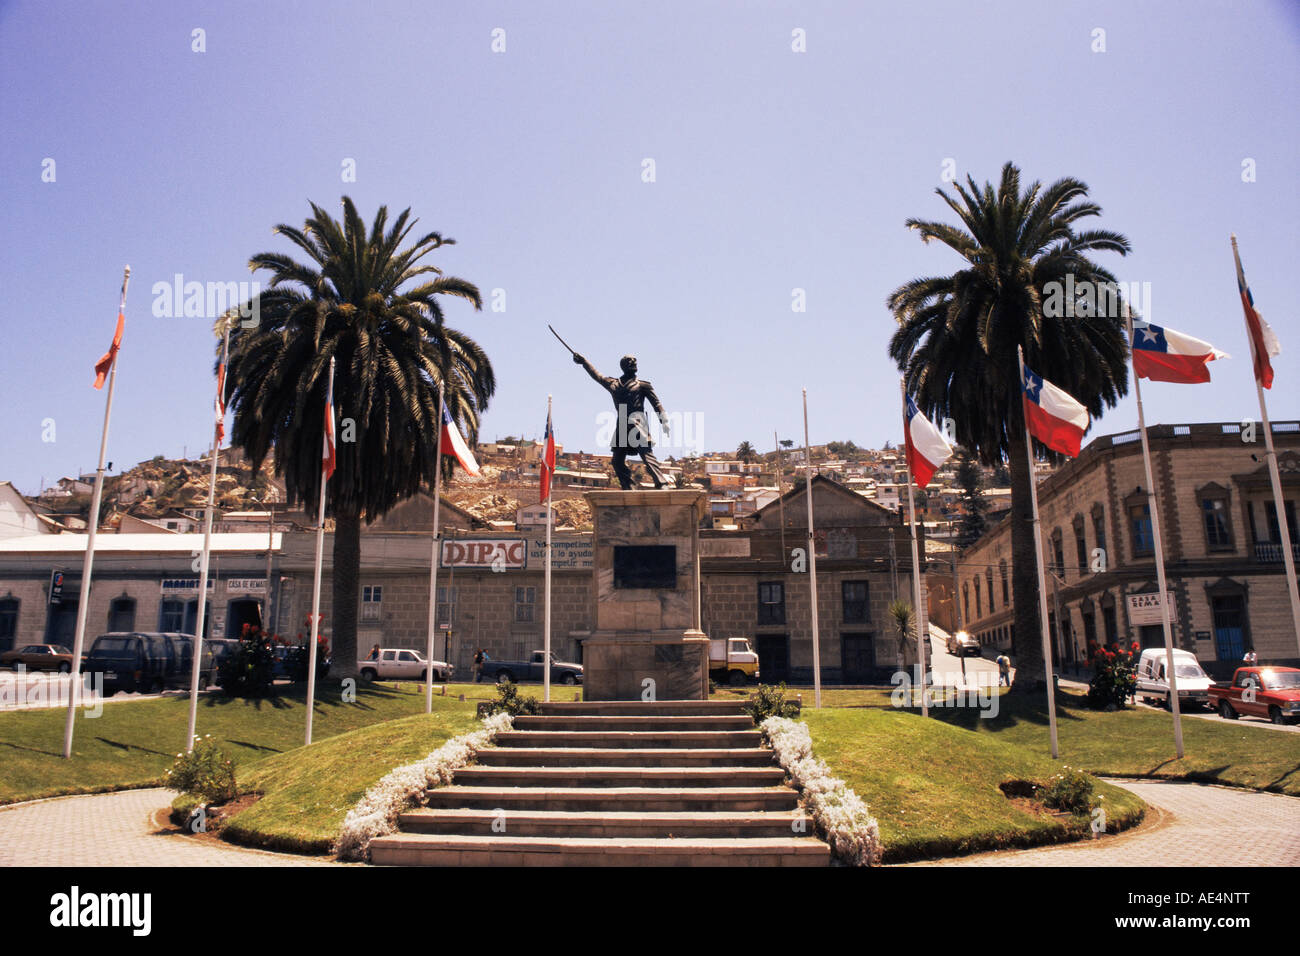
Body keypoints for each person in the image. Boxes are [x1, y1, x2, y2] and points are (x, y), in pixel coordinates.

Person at [572, 352, 670, 490]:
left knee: (646, 455)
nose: (634, 363)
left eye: (635, 361)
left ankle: (662, 483)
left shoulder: (643, 385)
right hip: (622, 424)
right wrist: (584, 362)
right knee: (617, 461)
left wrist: (663, 419)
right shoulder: (613, 384)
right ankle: (629, 487)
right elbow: (597, 376)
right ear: (623, 366)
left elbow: (656, 403)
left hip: (638, 422)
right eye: (630, 361)